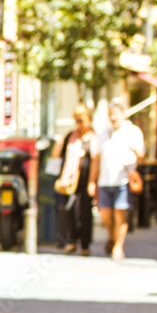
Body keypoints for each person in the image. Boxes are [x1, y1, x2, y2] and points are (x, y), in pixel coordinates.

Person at [88, 101, 145, 261]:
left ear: (123, 114)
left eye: (116, 113)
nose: (113, 117)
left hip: (123, 181)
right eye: (110, 114)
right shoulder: (103, 133)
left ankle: (118, 247)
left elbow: (141, 155)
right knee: (105, 216)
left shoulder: (132, 131)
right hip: (104, 181)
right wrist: (92, 181)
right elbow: (96, 159)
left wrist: (132, 149)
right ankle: (112, 237)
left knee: (120, 214)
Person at [54, 104, 98, 255]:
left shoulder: (94, 138)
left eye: (81, 120)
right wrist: (57, 146)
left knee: (85, 213)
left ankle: (85, 245)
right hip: (69, 181)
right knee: (69, 211)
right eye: (76, 120)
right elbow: (57, 156)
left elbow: (96, 161)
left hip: (85, 180)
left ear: (89, 119)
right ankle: (71, 241)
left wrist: (92, 182)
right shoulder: (70, 137)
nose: (79, 124)